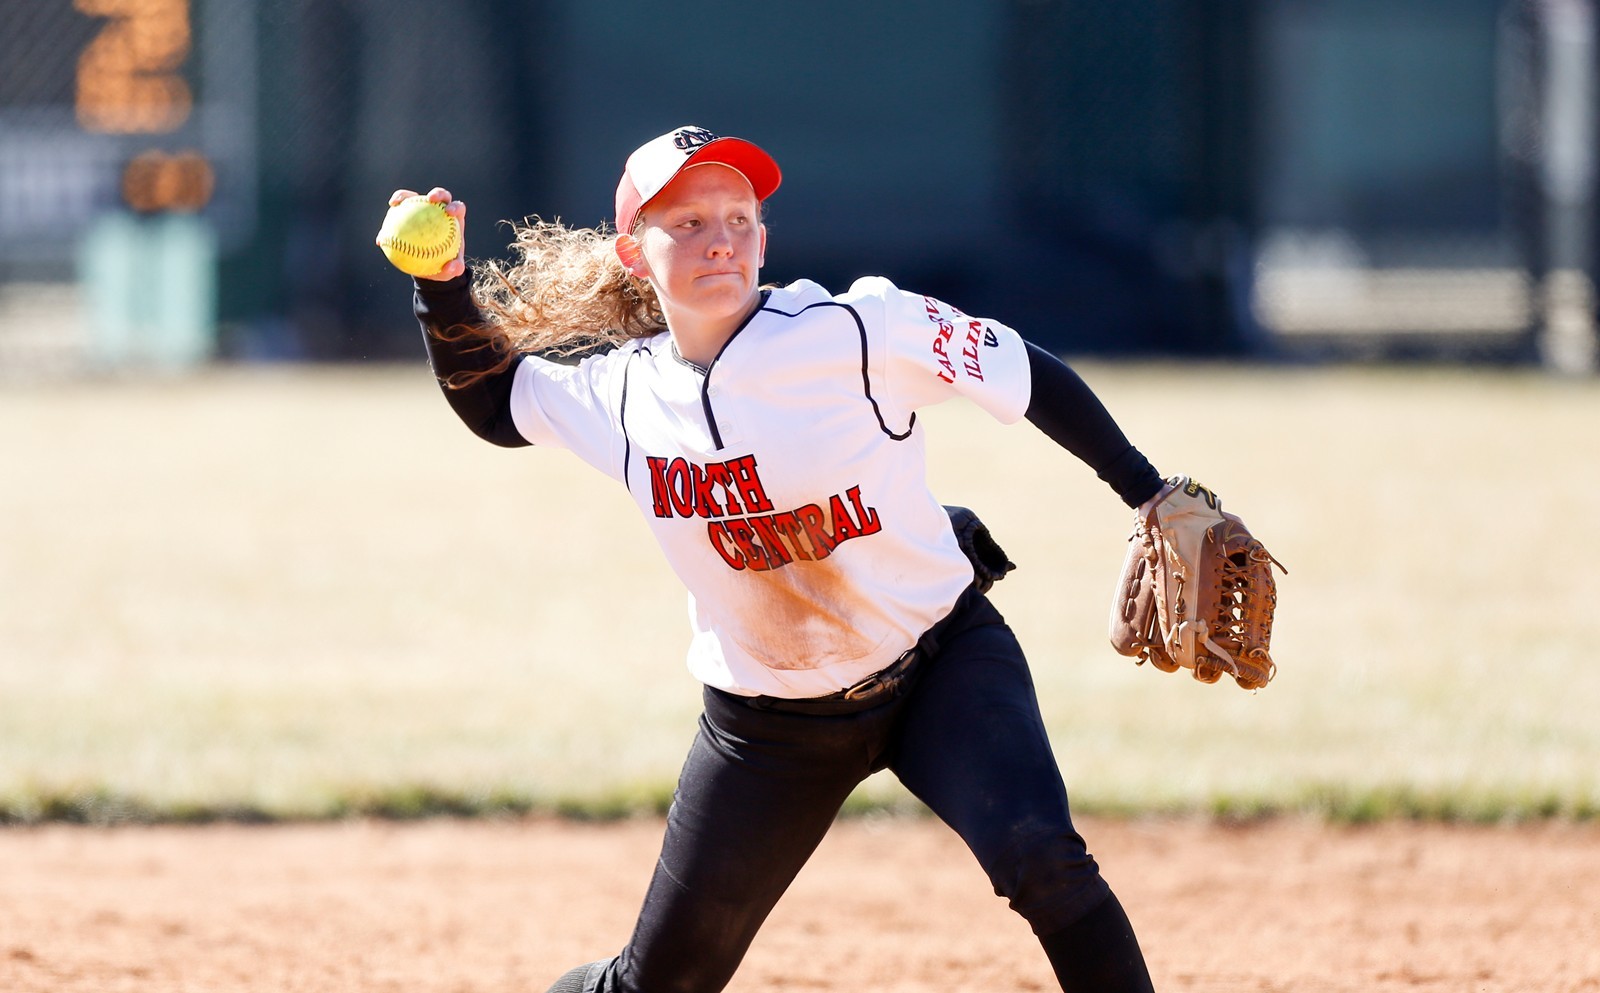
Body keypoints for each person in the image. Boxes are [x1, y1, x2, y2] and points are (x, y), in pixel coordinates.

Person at [395, 124, 1168, 993]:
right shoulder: (623, 392)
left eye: (737, 216)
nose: (718, 237)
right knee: (659, 983)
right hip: (768, 725)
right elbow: (498, 405)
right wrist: (442, 287)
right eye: (685, 222)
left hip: (942, 662)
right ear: (634, 254)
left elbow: (1019, 370)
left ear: (763, 238)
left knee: (1045, 860)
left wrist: (1150, 491)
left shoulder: (856, 331)